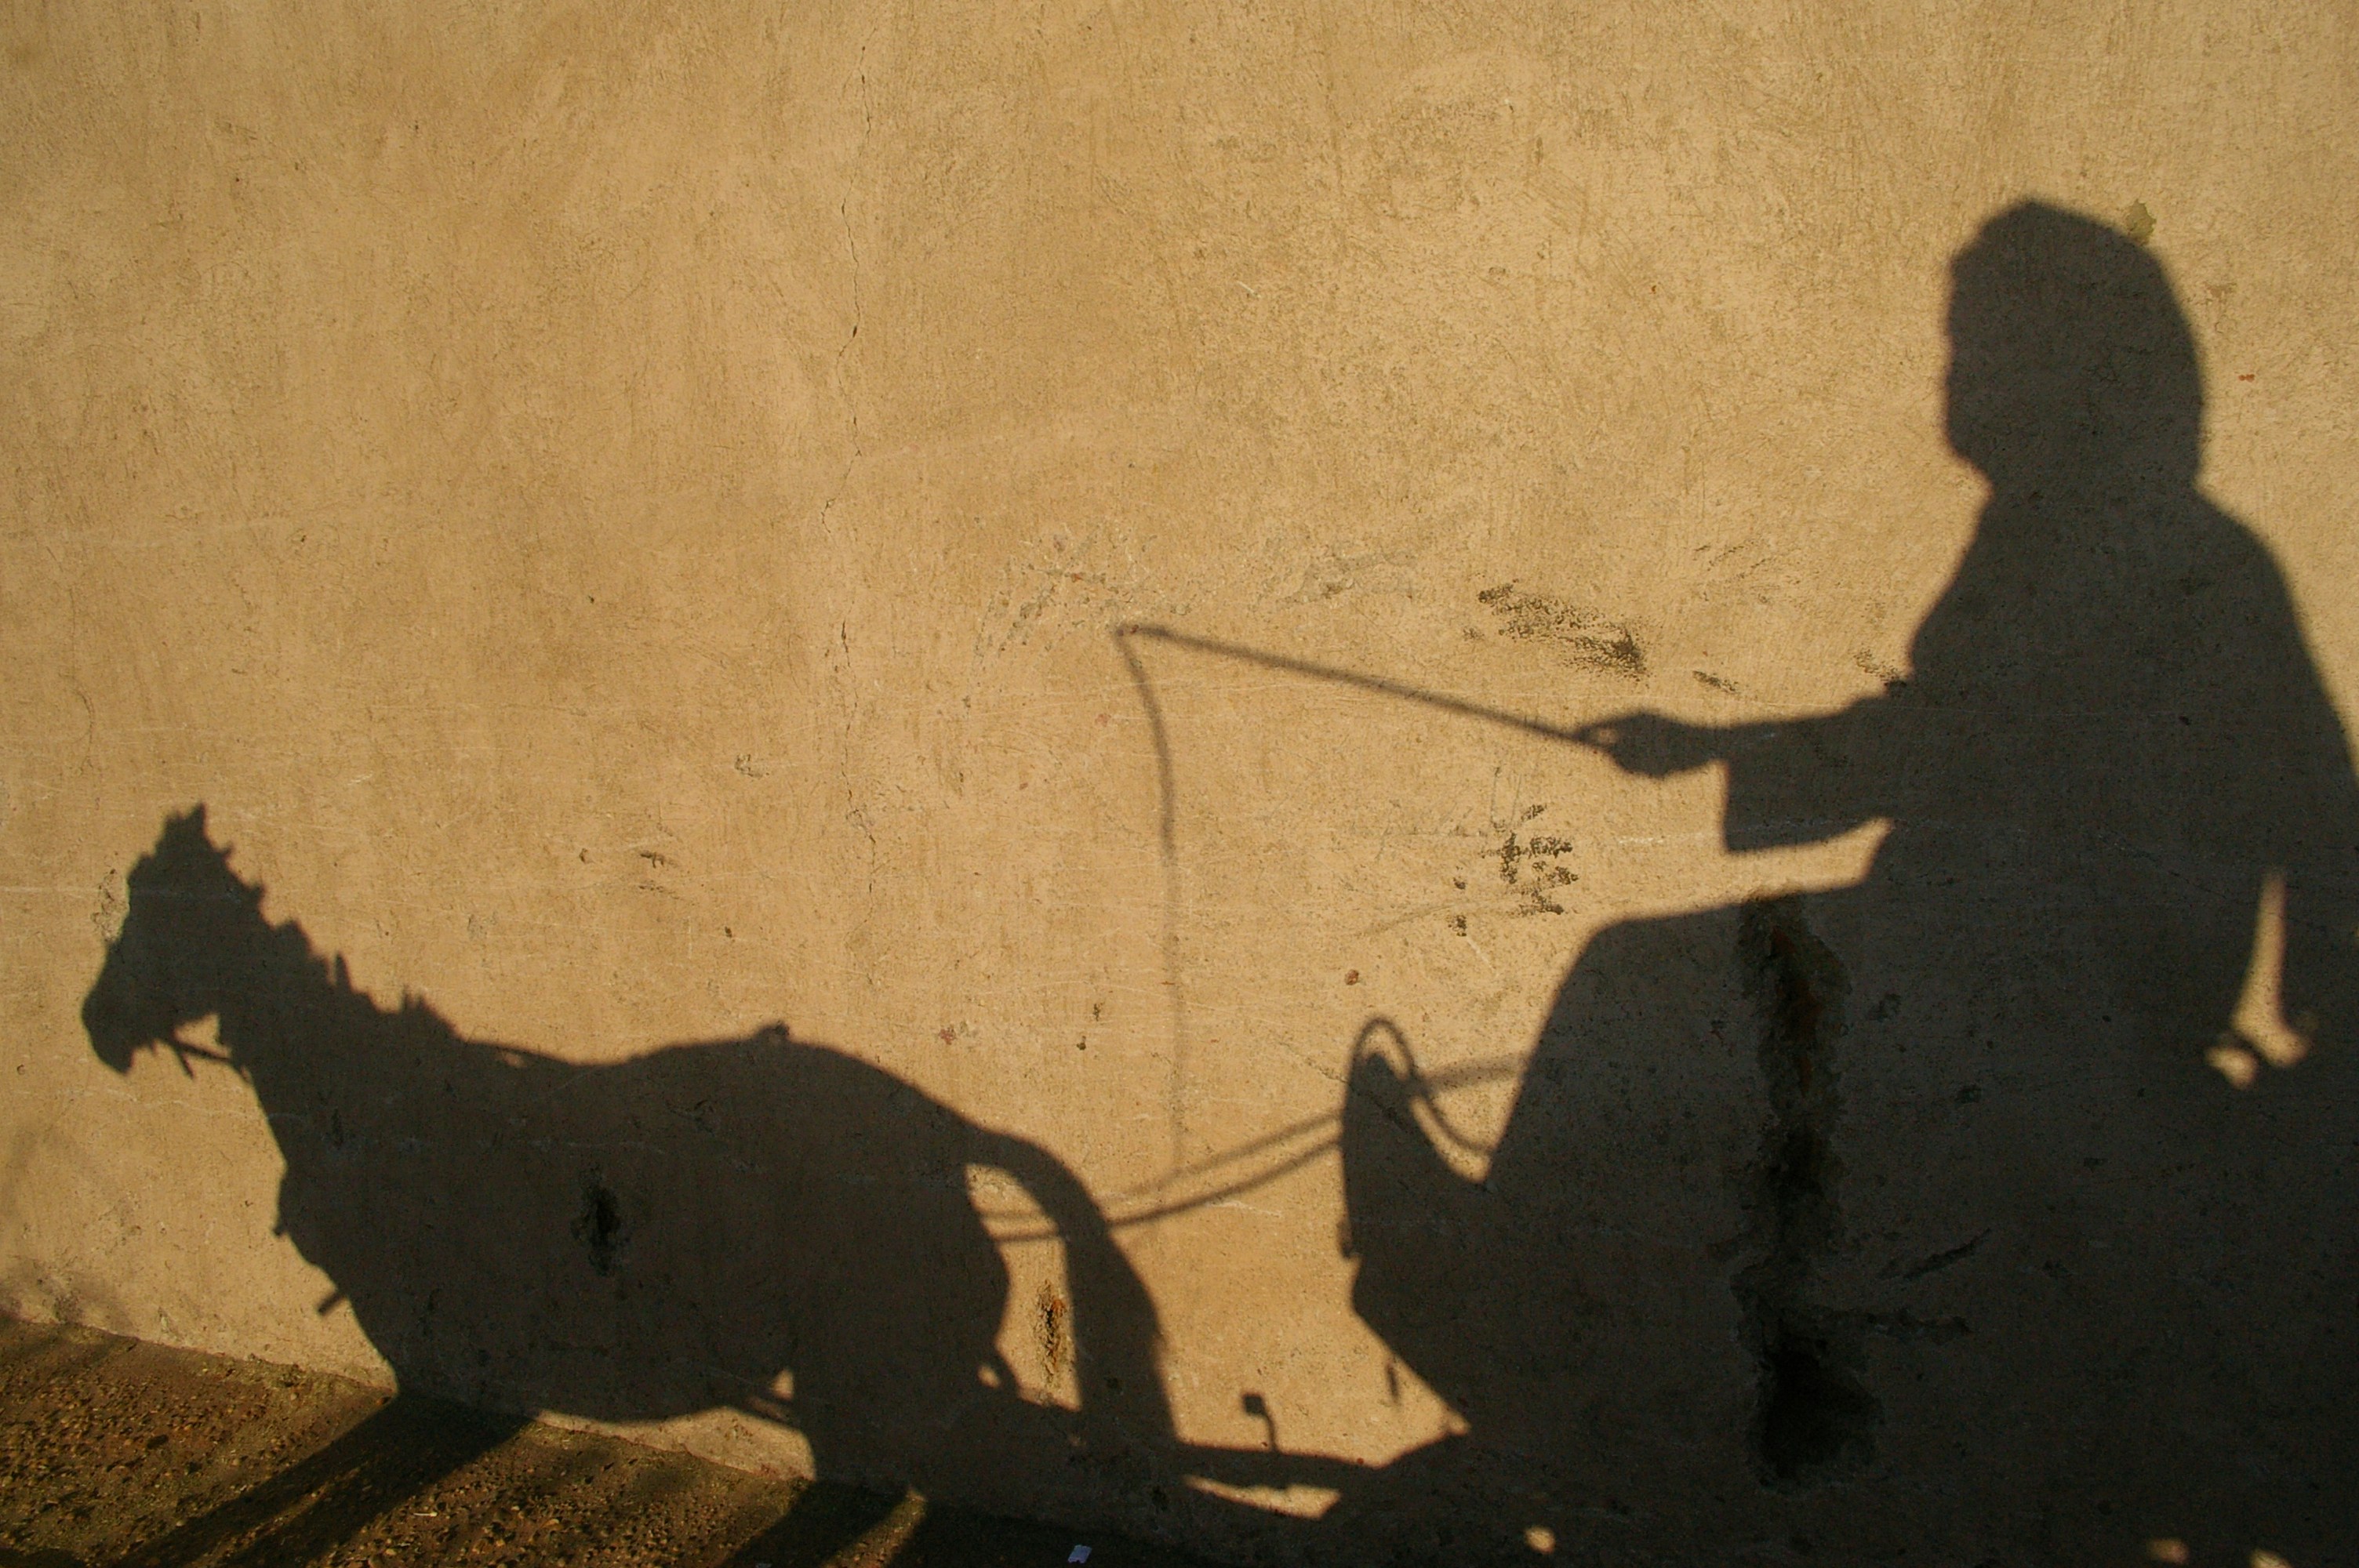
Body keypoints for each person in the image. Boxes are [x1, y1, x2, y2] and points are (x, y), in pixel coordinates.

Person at [1336, 203, 2359, 1563]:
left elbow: (1953, 740)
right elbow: (1944, 729)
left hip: (2027, 958)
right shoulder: (2076, 529)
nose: (1954, 378)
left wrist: (1733, 759)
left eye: (1974, 346)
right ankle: (1578, 1295)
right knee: (1670, 993)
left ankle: (1517, 1290)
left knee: (1633, 978)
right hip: (1977, 926)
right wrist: (1715, 751)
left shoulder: (2130, 545)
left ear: (2068, 359)